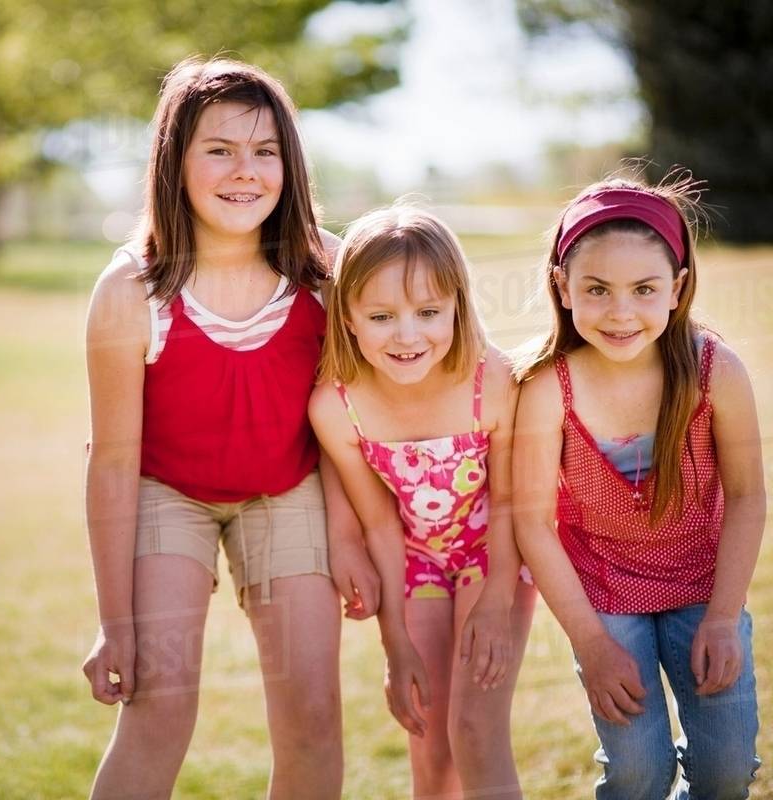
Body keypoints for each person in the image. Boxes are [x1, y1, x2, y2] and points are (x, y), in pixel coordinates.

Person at [81, 56, 377, 800]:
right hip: (165, 491)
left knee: (312, 714)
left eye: (265, 151)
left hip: (285, 490)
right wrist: (114, 622)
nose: (245, 171)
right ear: (174, 162)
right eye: (219, 149)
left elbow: (347, 420)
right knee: (158, 707)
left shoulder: (327, 270)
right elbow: (113, 464)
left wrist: (346, 538)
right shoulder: (131, 291)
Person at [511, 173, 763, 798]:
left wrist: (724, 618)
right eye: (596, 289)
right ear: (562, 288)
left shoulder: (715, 371)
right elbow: (532, 522)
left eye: (644, 289)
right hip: (602, 595)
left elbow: (750, 495)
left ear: (677, 289)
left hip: (703, 584)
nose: (621, 312)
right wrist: (591, 643)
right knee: (636, 772)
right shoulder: (548, 388)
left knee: (726, 769)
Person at [310, 205, 536, 799]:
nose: (408, 335)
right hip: (414, 561)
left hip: (497, 554)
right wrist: (395, 642)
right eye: (381, 315)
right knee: (430, 745)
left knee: (477, 731)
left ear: (458, 305)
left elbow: (514, 504)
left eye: (429, 312)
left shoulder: (494, 380)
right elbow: (380, 525)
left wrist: (496, 600)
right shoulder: (337, 406)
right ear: (348, 318)